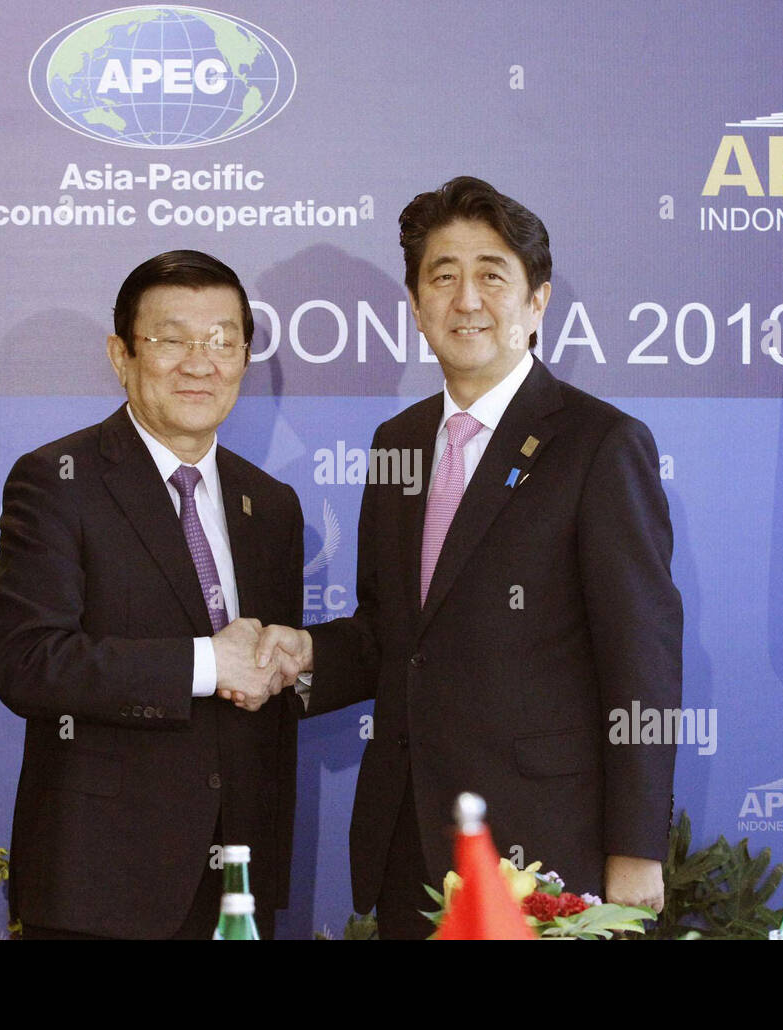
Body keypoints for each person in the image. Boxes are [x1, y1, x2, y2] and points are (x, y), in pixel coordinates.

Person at [257, 177, 683, 939]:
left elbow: (642, 660)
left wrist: (635, 848)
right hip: (408, 838)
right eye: (442, 276)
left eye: (492, 274)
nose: (467, 298)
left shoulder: (599, 445)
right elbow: (393, 632)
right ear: (417, 307)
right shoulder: (399, 443)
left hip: (544, 848)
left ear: (538, 302)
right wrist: (307, 654)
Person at [0, 250, 303, 939]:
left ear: (245, 357)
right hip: (101, 888)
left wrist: (295, 661)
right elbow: (30, 663)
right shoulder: (56, 482)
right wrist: (206, 664)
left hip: (238, 887)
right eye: (170, 339)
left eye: (222, 340)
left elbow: (264, 689)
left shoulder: (271, 504)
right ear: (121, 355)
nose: (200, 363)